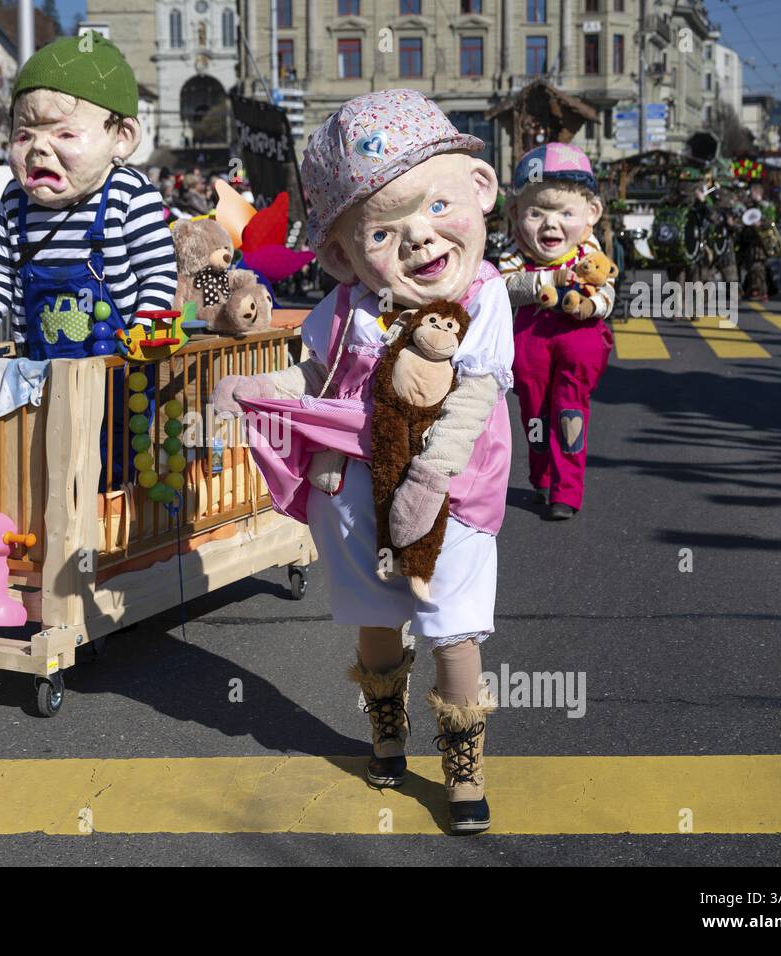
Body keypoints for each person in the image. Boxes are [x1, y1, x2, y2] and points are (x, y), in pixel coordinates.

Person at [212, 90, 512, 834]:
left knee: (454, 630)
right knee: (377, 623)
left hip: (450, 497)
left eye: (438, 204)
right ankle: (386, 734)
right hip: (351, 497)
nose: (419, 238)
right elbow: (311, 377)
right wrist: (255, 388)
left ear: (479, 192)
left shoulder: (484, 294)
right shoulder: (345, 306)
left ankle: (462, 768)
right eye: (384, 230)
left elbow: (478, 392)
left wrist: (433, 475)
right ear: (345, 251)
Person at [0, 34, 177, 354]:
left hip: (119, 370)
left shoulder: (129, 194)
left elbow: (158, 273)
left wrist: (144, 330)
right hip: (38, 373)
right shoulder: (14, 201)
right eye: (23, 136)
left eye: (64, 133)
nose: (39, 148)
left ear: (122, 137)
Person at [499, 143, 617, 521]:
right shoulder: (514, 257)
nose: (551, 224)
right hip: (530, 342)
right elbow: (503, 287)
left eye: (566, 212)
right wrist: (546, 280)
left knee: (570, 412)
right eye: (537, 212)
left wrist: (591, 305)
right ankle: (542, 477)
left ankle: (567, 490)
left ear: (591, 213)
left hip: (577, 340)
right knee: (534, 413)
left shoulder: (589, 257)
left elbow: (607, 292)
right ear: (516, 214)